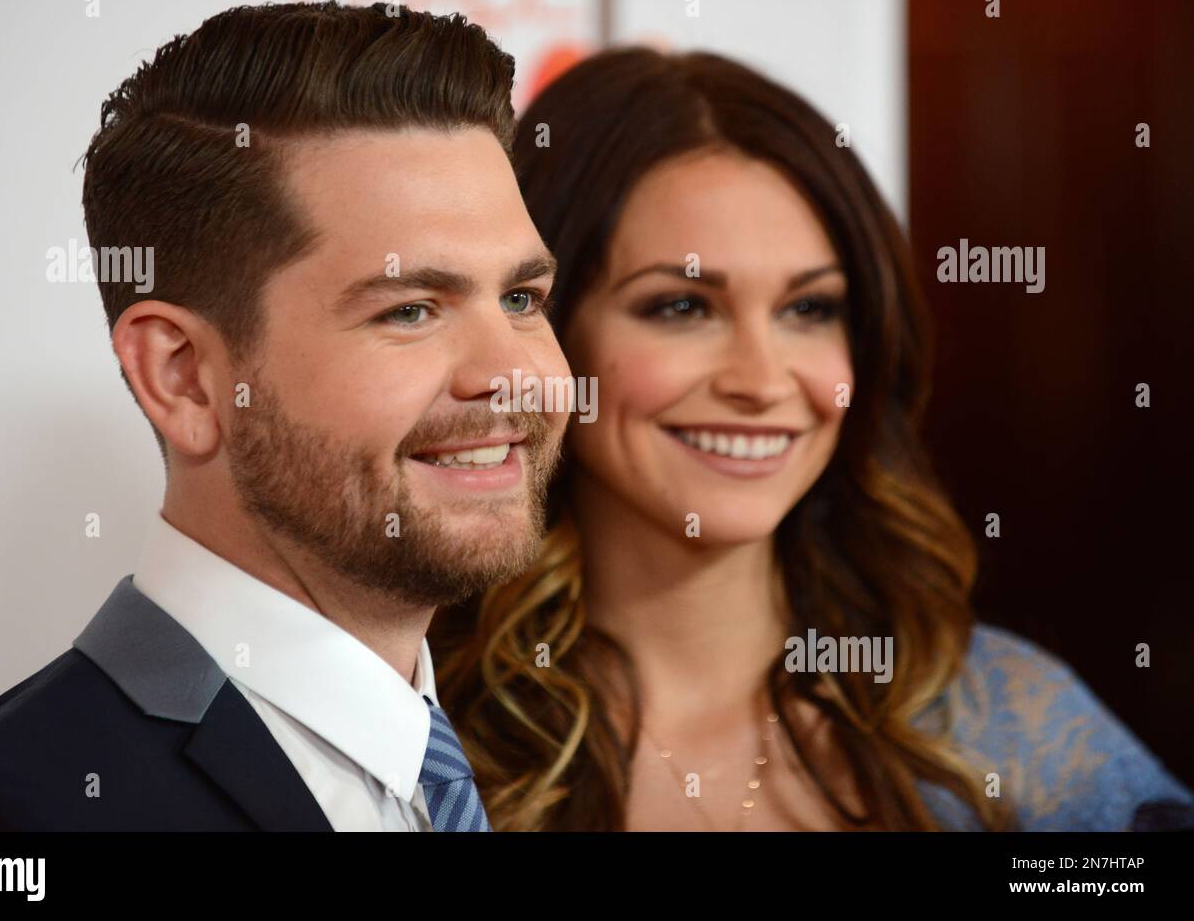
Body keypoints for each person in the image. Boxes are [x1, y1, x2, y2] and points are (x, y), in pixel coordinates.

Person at [429, 47, 1194, 831]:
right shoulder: (421, 742)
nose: (763, 381)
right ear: (543, 329)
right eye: (682, 307)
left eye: (809, 309)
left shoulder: (1005, 724)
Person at [0, 0, 568, 831]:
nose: (515, 375)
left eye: (521, 298)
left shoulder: (489, 756)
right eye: (409, 310)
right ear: (182, 376)